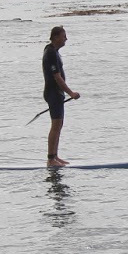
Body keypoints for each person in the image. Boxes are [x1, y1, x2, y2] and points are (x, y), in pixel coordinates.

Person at [42, 26, 80, 166]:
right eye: (64, 36)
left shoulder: (53, 51)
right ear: (56, 37)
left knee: (59, 125)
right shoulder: (50, 53)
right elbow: (57, 77)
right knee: (56, 125)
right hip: (53, 93)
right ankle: (51, 159)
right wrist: (71, 93)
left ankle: (55, 156)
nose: (66, 39)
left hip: (56, 94)